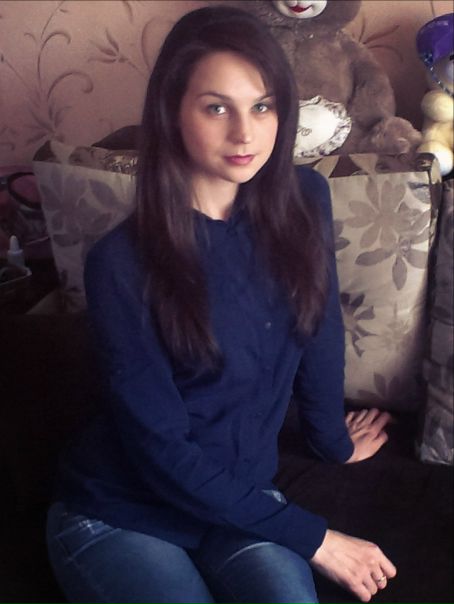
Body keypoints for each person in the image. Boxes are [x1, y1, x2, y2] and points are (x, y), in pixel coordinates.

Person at [46, 6, 396, 604]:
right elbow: (160, 450)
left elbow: (318, 330)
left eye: (262, 106)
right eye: (216, 108)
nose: (245, 134)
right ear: (171, 112)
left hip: (240, 497)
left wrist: (334, 445)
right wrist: (317, 539)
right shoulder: (120, 262)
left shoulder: (305, 198)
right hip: (123, 510)